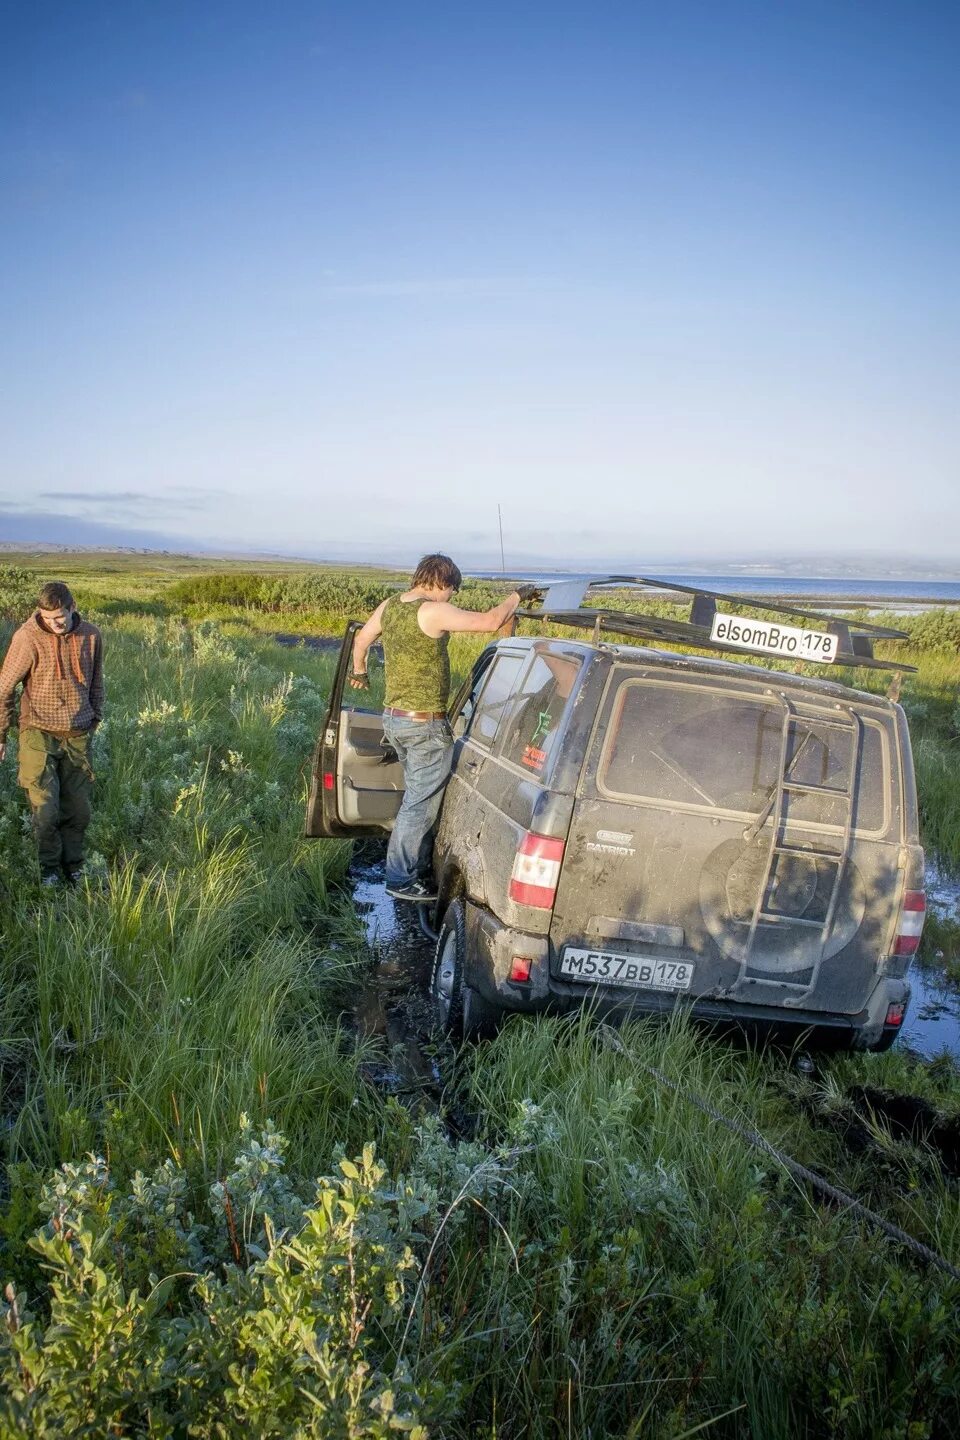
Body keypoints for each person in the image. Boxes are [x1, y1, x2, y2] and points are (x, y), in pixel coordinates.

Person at [350, 555, 538, 902]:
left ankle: (414, 869)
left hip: (395, 719)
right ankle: (400, 879)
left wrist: (360, 672)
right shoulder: (431, 610)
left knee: (415, 796)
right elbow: (490, 622)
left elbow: (361, 640)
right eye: (453, 590)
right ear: (442, 582)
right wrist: (517, 596)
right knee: (419, 804)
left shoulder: (390, 606)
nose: (452, 597)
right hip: (424, 725)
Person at [0, 581, 104, 886]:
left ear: (72, 608)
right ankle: (49, 871)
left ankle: (74, 866)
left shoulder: (92, 635)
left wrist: (96, 716)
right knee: (45, 809)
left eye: (60, 617)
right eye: (48, 619)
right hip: (38, 732)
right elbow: (4, 688)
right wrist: (1, 734)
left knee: (78, 809)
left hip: (78, 733)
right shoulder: (27, 637)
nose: (55, 624)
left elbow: (97, 681)